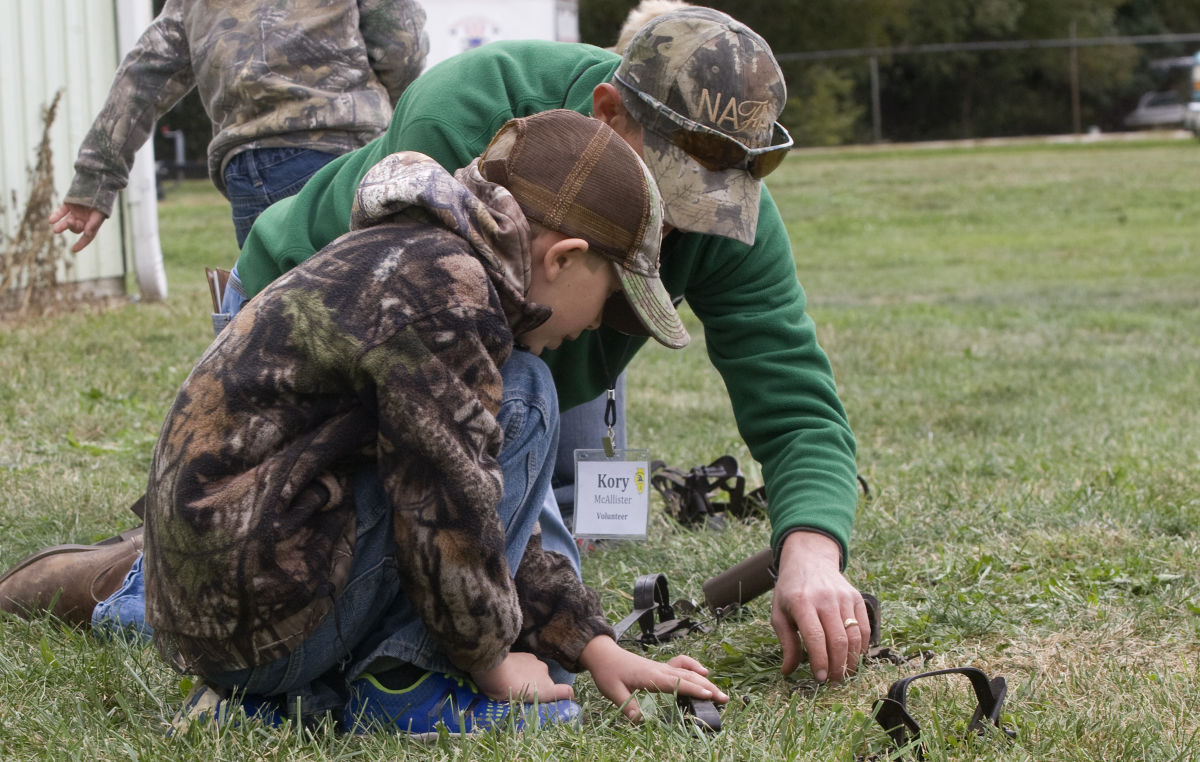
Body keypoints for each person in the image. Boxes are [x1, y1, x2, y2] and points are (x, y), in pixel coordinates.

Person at [3, 7, 870, 687]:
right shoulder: (475, 111)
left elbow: (796, 401)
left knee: (532, 574)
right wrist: (493, 656)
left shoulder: (724, 213)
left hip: (514, 368)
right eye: (675, 195)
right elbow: (444, 451)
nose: (691, 223)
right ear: (607, 113)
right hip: (319, 332)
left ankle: (187, 558)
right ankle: (146, 585)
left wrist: (810, 552)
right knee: (404, 558)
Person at [144, 109, 722, 731]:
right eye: (610, 296)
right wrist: (490, 660)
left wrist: (590, 643)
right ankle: (404, 687)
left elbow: (494, 510)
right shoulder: (448, 294)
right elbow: (450, 503)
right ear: (563, 257)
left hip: (224, 616)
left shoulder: (414, 257)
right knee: (528, 391)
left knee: (508, 401)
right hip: (261, 616)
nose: (597, 324)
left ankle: (275, 703)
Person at [48, 0, 428, 251]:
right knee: (363, 313)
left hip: (252, 168)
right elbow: (402, 46)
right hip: (344, 149)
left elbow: (147, 70)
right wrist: (392, 110)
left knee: (277, 325)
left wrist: (94, 180)